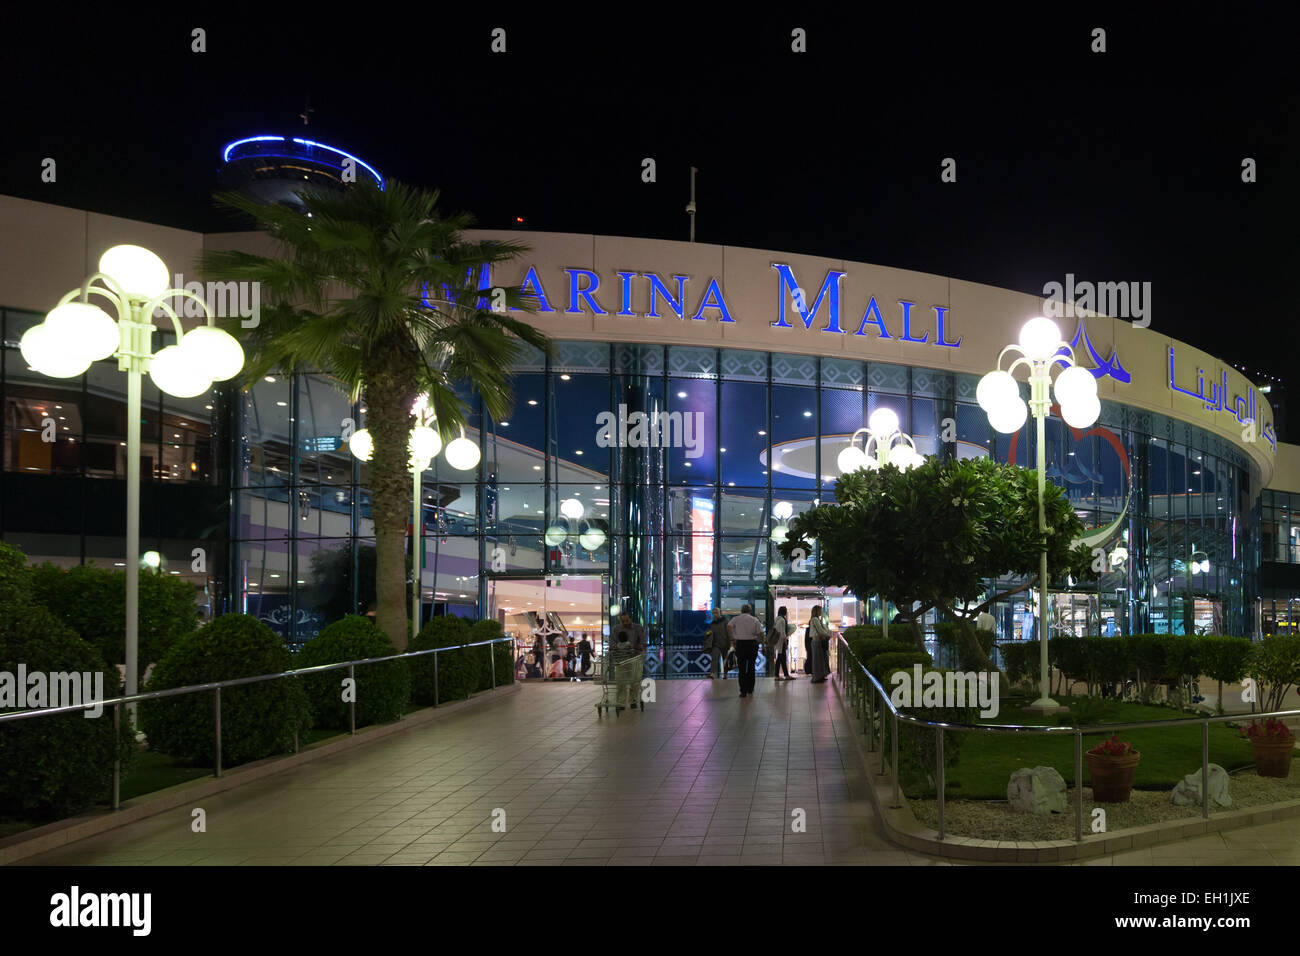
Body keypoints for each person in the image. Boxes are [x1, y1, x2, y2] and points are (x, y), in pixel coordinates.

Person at [730, 603, 764, 697]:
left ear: (741, 610)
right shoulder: (754, 620)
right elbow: (761, 633)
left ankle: (743, 691)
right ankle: (750, 688)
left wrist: (732, 639)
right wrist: (763, 645)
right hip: (752, 644)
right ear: (750, 611)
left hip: (740, 644)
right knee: (751, 667)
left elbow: (729, 626)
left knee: (741, 668)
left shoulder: (736, 619)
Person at [610, 627, 640, 709]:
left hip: (620, 668)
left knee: (621, 686)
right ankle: (633, 701)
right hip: (629, 667)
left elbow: (614, 656)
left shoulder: (616, 647)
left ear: (619, 639)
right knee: (633, 683)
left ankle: (621, 703)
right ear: (627, 637)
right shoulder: (629, 645)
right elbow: (633, 655)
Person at [701, 609, 731, 679]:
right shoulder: (712, 623)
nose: (714, 614)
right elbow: (711, 633)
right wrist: (708, 634)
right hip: (716, 644)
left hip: (725, 644)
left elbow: (729, 632)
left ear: (720, 613)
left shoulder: (725, 621)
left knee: (725, 659)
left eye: (716, 613)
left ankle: (725, 674)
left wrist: (730, 642)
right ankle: (712, 674)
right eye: (713, 613)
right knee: (714, 658)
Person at [768, 606, 793, 681]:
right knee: (781, 658)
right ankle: (780, 675)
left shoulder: (776, 619)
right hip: (781, 642)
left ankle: (782, 675)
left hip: (777, 641)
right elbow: (782, 632)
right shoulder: (782, 620)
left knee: (781, 658)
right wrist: (785, 641)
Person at [807, 605, 831, 683]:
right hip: (816, 641)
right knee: (817, 660)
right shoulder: (815, 620)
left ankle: (820, 676)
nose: (821, 612)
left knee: (819, 659)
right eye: (820, 610)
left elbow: (822, 629)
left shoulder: (816, 619)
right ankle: (817, 677)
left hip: (817, 641)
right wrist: (827, 634)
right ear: (817, 611)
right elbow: (820, 631)